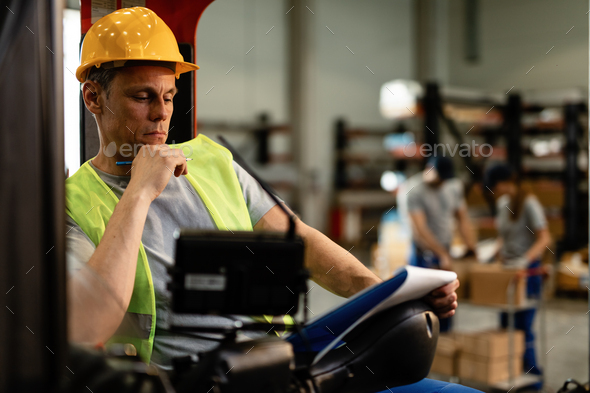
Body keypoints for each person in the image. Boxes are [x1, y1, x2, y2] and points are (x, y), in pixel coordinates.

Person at [66, 7, 476, 392]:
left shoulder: (212, 161)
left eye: (169, 96)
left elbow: (304, 246)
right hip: (195, 381)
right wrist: (139, 191)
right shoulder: (71, 204)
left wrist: (384, 295)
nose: (161, 114)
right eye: (142, 97)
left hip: (280, 363)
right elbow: (84, 326)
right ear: (93, 98)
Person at [484, 163, 551, 380]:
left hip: (526, 271)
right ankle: (508, 372)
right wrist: (491, 252)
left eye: (495, 186)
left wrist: (525, 260)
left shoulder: (529, 203)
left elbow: (544, 238)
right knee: (506, 324)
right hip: (507, 270)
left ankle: (532, 377)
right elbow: (504, 237)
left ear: (504, 183)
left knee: (523, 326)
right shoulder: (503, 204)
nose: (493, 191)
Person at [398, 156, 477, 332]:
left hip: (446, 250)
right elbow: (420, 230)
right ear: (429, 170)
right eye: (439, 177)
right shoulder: (413, 190)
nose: (442, 182)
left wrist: (471, 246)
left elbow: (462, 218)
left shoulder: (453, 186)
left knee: (446, 304)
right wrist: (441, 254)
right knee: (421, 308)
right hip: (422, 254)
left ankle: (444, 347)